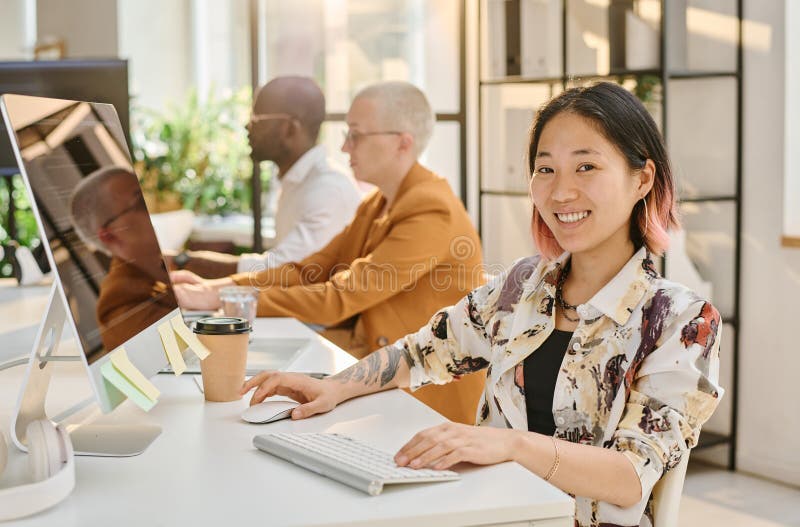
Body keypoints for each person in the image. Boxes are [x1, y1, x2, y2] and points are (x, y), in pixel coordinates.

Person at [238, 82, 723, 527]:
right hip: (488, 512)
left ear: (642, 180)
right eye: (545, 169)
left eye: (586, 166)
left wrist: (510, 445)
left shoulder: (681, 321)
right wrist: (332, 388)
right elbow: (422, 352)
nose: (561, 191)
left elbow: (631, 476)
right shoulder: (521, 286)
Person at [171, 81, 487, 425]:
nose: (344, 146)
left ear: (403, 142)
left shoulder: (430, 209)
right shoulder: (376, 203)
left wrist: (226, 300)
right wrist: (217, 289)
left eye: (356, 135)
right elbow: (308, 270)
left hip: (425, 404)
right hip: (375, 380)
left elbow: (340, 297)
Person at [171, 76, 361, 278]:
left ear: (289, 129)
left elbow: (285, 270)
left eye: (256, 119)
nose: (247, 127)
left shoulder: (328, 189)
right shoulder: (297, 181)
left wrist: (183, 262)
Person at [70, 166, 177, 353]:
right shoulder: (119, 305)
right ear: (109, 235)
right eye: (141, 202)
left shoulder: (170, 261)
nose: (154, 206)